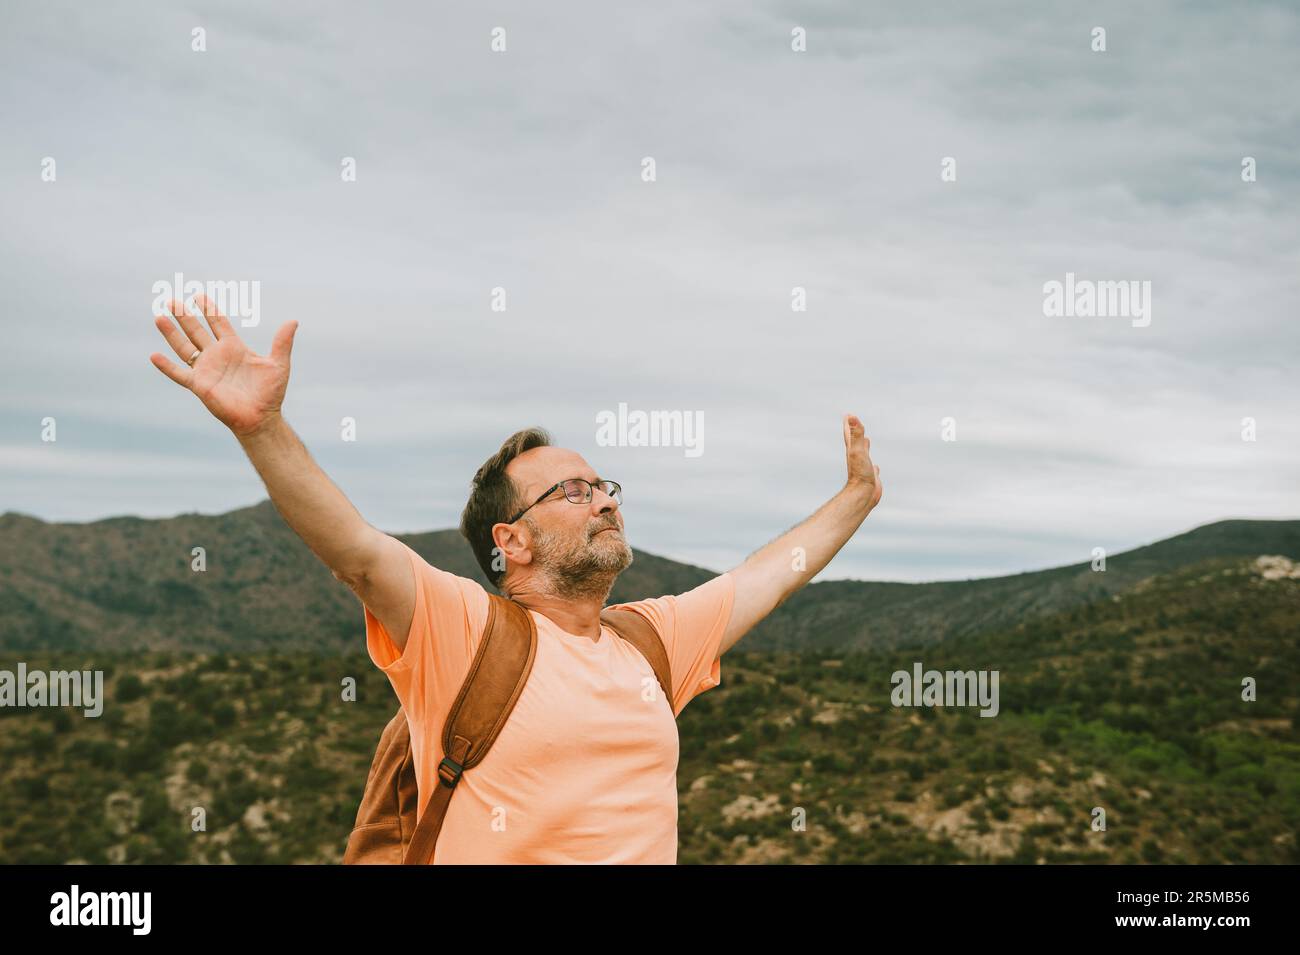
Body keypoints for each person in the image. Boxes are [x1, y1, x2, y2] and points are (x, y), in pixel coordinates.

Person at [149, 294, 884, 863]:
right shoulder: (465, 632)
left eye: (604, 485)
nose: (603, 499)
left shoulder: (652, 641)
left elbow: (769, 577)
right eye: (571, 490)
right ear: (513, 541)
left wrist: (857, 497)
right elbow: (358, 553)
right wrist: (262, 428)